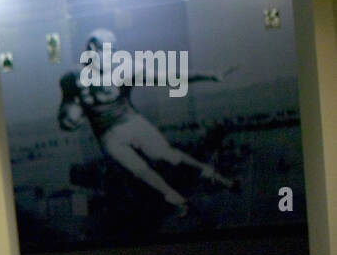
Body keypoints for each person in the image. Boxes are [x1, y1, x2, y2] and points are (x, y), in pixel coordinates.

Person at [57, 28, 235, 215]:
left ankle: (208, 173)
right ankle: (177, 200)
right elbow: (66, 109)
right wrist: (68, 119)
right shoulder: (71, 78)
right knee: (138, 170)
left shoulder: (126, 69)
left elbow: (169, 77)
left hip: (131, 122)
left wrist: (208, 74)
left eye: (113, 50)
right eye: (107, 50)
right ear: (92, 49)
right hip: (107, 134)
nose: (111, 55)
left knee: (166, 155)